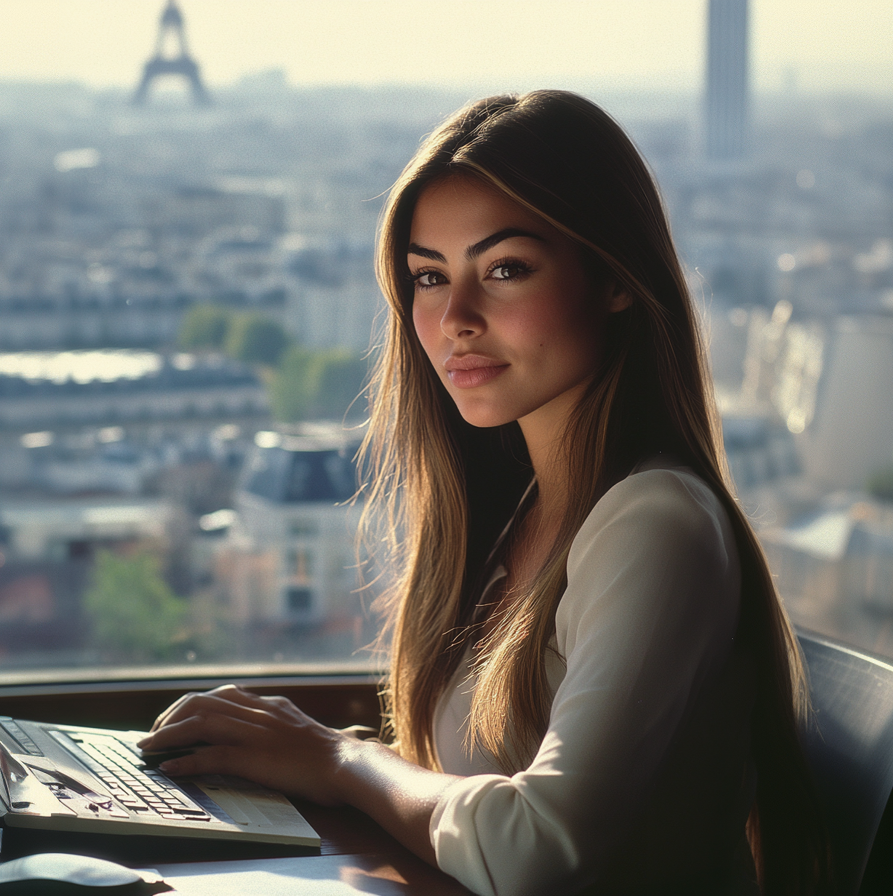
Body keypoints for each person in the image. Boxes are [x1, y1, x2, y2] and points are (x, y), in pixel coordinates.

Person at [139, 90, 827, 895]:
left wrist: (336, 759)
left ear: (616, 278)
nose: (455, 317)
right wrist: (303, 758)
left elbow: (534, 849)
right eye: (429, 277)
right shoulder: (526, 513)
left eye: (504, 269)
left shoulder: (656, 523)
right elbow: (482, 781)